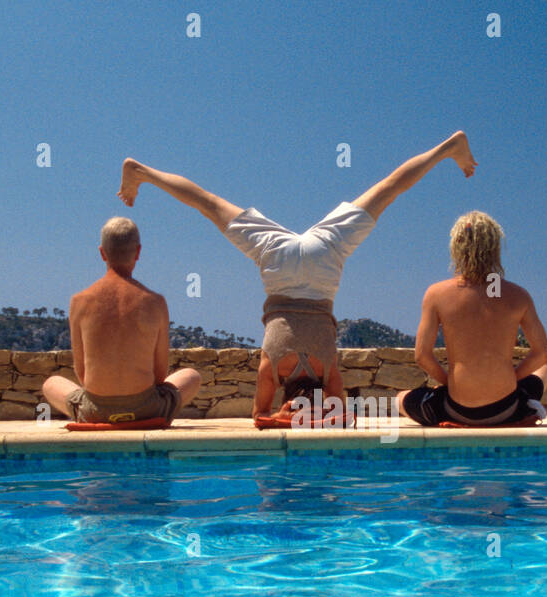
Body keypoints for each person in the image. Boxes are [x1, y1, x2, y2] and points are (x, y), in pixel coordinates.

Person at [115, 131, 477, 419]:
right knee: (209, 205)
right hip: (280, 266)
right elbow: (260, 414)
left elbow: (343, 416)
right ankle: (143, 173)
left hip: (322, 265)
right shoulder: (273, 369)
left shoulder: (327, 367)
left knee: (386, 190)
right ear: (285, 393)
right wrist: (277, 418)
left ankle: (447, 148)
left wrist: (311, 416)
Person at [396, 211, 547, 426]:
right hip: (507, 408)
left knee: (400, 399)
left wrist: (448, 383)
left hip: (458, 409)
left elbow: (422, 356)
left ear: (457, 248)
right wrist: (511, 379)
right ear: (495, 248)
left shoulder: (437, 294)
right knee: (543, 371)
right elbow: (542, 354)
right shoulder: (516, 294)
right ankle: (525, 404)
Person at [42, 217, 201, 424]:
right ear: (138, 252)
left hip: (95, 411)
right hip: (149, 410)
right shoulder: (155, 302)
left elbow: (82, 375)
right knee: (192, 376)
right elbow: (160, 375)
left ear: (102, 253)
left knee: (51, 383)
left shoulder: (79, 301)